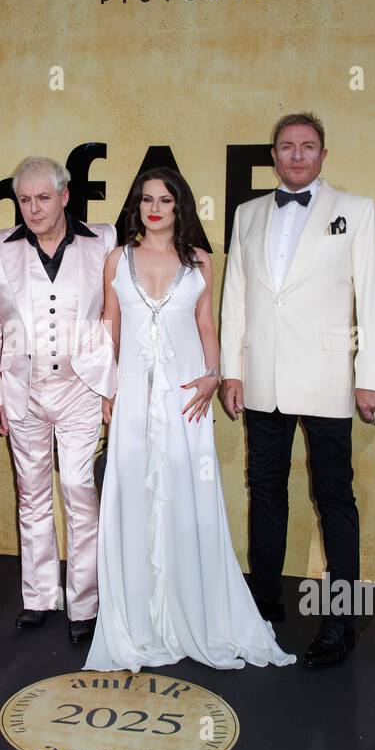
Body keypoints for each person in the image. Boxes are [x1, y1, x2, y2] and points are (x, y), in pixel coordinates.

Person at [85, 168, 296, 672]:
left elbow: (207, 325)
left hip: (187, 399)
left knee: (186, 499)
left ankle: (194, 614)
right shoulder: (117, 259)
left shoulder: (200, 260)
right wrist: (105, 389)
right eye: (146, 200)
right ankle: (139, 622)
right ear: (136, 206)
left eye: (165, 200)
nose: (154, 208)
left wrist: (213, 375)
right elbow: (108, 327)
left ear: (180, 207)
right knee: (134, 499)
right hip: (133, 397)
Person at [219, 112, 375, 668]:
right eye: (287, 147)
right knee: (265, 493)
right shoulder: (246, 214)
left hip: (328, 380)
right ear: (273, 155)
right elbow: (237, 296)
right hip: (263, 380)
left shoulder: (358, 211)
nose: (296, 155)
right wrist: (232, 369)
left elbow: (373, 298)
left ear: (323, 154)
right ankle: (263, 604)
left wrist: (371, 377)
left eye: (307, 146)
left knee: (334, 497)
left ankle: (342, 621)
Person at [0, 157, 116, 644]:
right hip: (23, 389)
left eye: (43, 198)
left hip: (82, 389)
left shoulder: (103, 241)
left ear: (64, 195)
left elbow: (115, 317)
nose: (33, 209)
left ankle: (85, 603)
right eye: (24, 200)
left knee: (80, 491)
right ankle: (38, 597)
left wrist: (112, 385)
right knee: (31, 494)